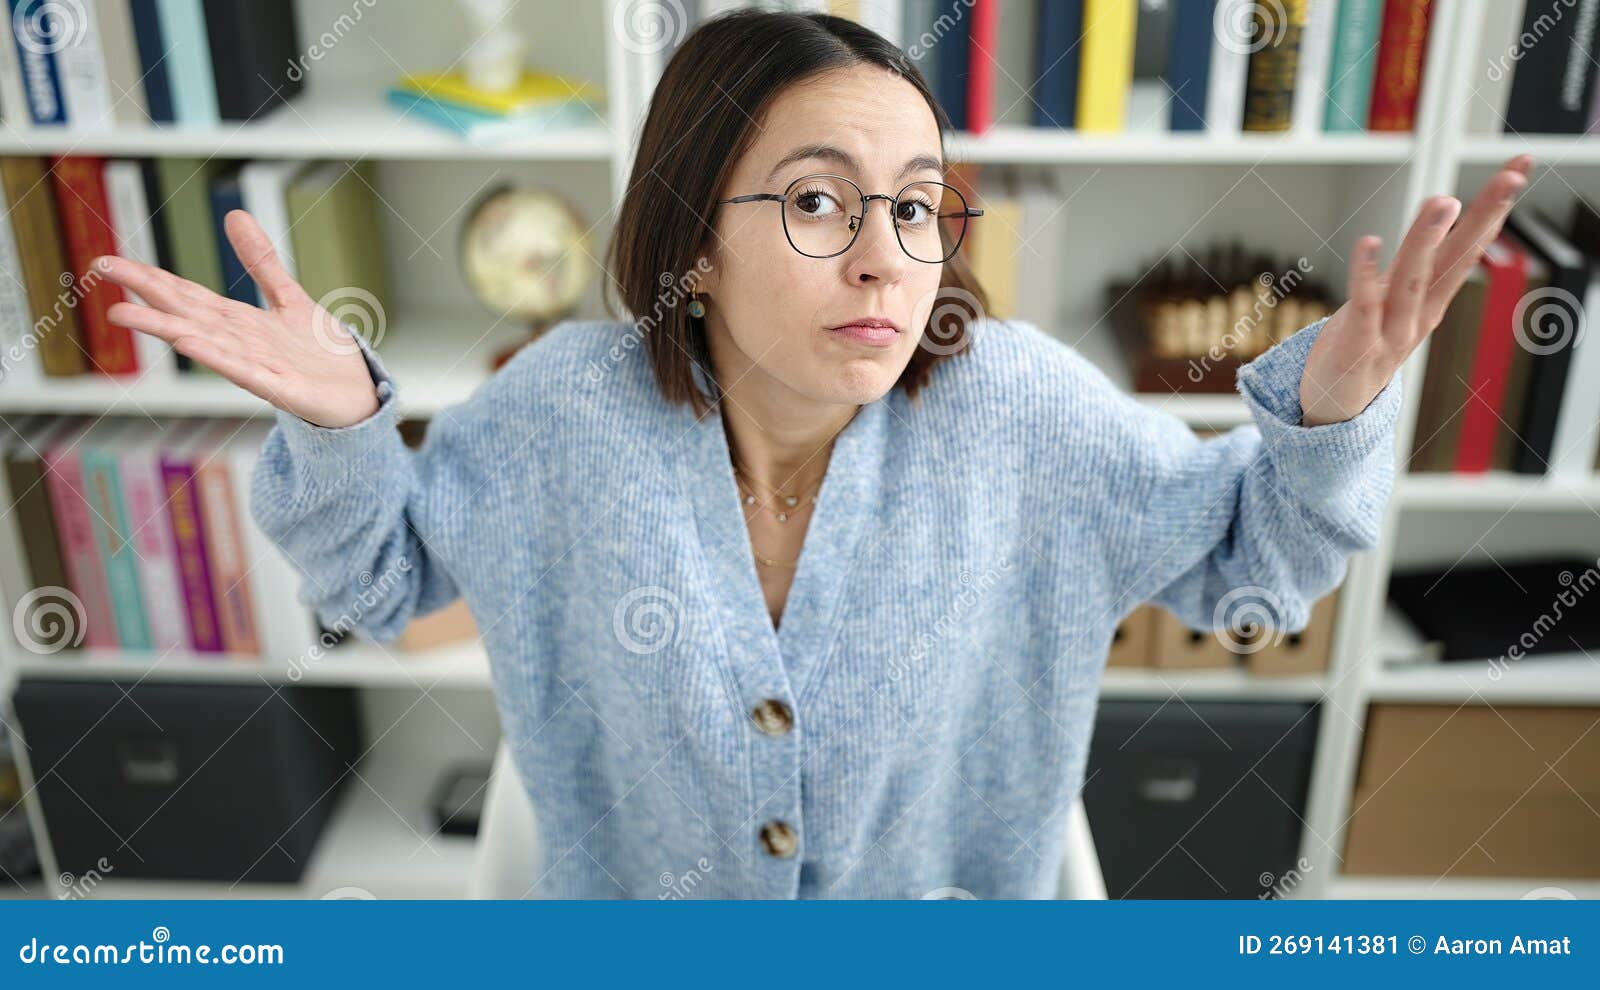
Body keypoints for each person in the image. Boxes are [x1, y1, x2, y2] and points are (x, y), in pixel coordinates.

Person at [95, 10, 1531, 898]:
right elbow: (381, 582)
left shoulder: (1021, 412)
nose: (884, 257)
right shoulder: (567, 413)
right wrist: (340, 423)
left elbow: (1250, 579)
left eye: (917, 207)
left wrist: (1330, 415)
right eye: (817, 202)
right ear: (694, 243)